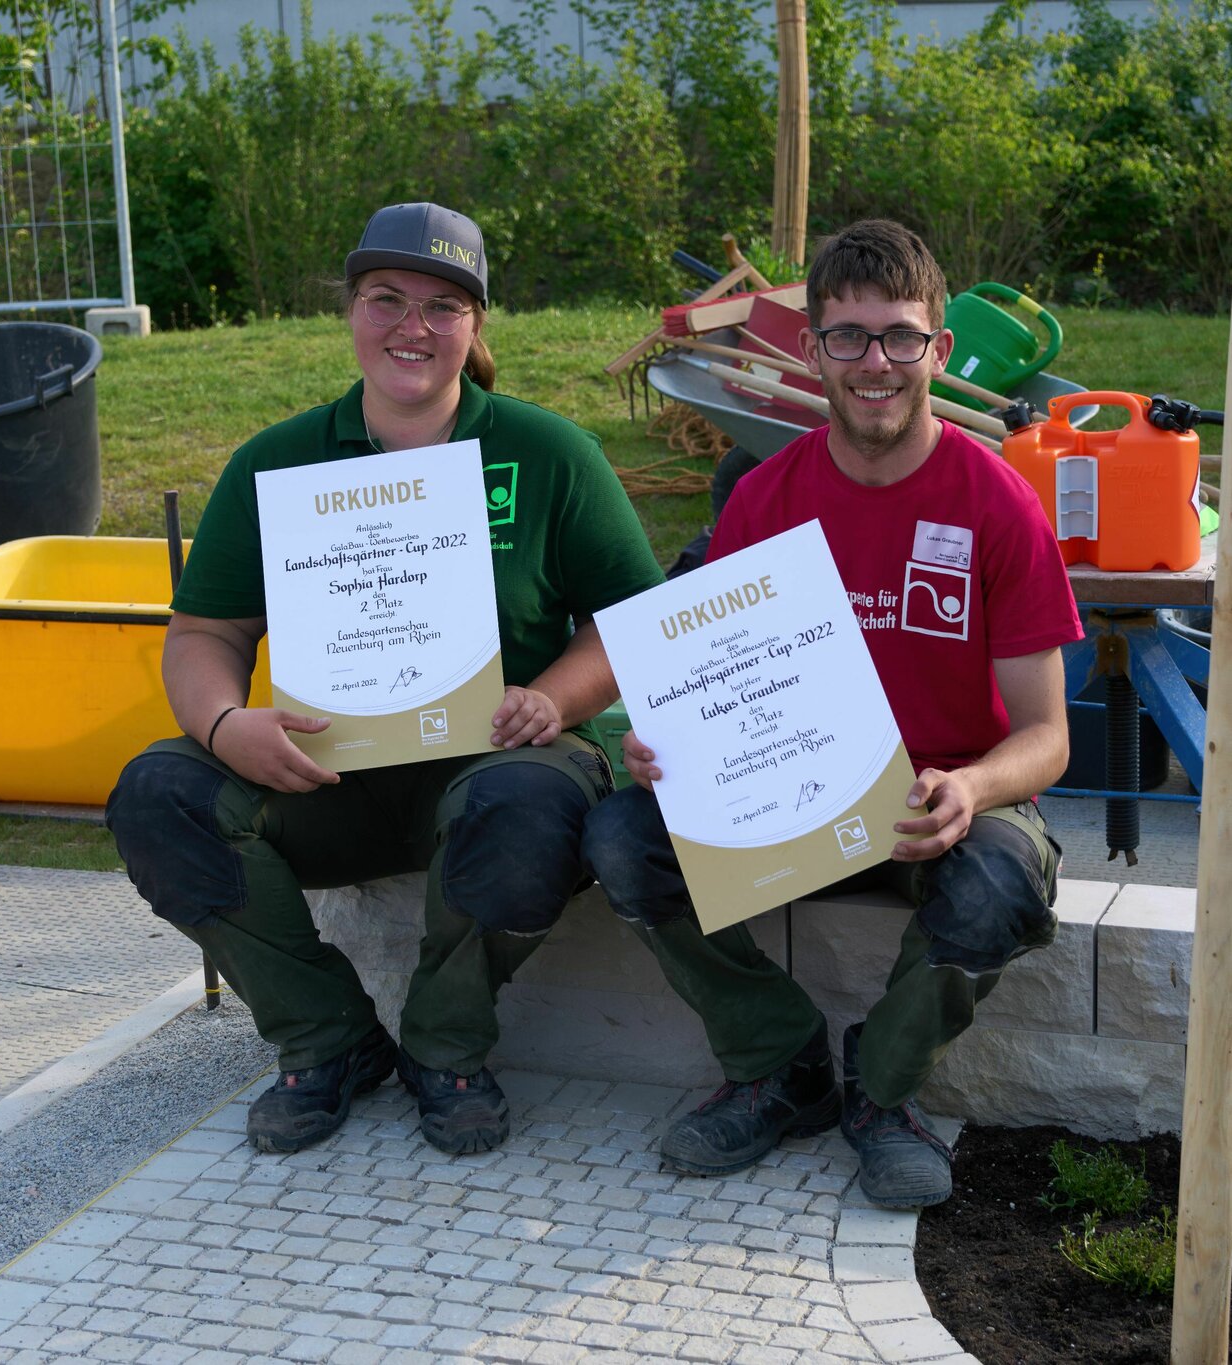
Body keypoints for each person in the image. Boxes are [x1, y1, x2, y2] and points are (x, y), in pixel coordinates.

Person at [107, 203, 663, 1158]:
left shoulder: (546, 453)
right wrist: (222, 724)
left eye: (444, 306)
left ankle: (445, 1048)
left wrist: (557, 698)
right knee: (159, 793)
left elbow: (630, 622)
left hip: (496, 768)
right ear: (350, 311)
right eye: (387, 299)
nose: (413, 326)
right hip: (328, 777)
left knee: (531, 804)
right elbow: (204, 630)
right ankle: (326, 1040)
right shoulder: (277, 462)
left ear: (476, 325)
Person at [581, 219, 1084, 1209]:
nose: (874, 364)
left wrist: (971, 786)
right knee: (618, 836)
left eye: (899, 337)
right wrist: (665, 743)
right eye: (846, 338)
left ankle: (882, 1093)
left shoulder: (996, 505)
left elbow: (1047, 736)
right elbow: (703, 680)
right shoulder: (763, 499)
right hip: (792, 805)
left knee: (1003, 883)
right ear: (810, 352)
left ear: (938, 350)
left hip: (931, 811)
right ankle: (778, 1066)